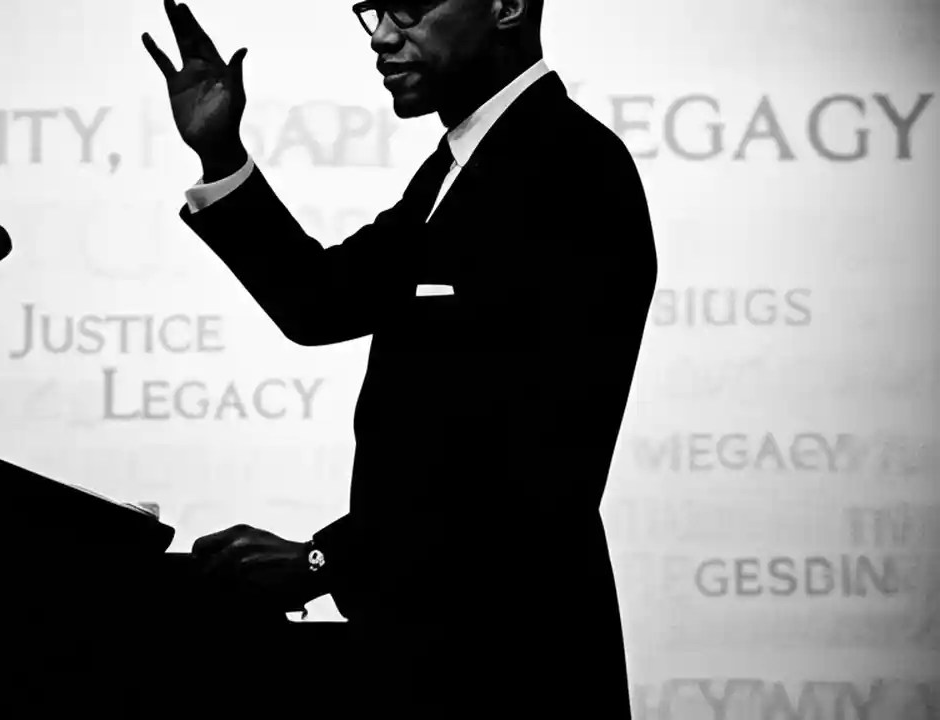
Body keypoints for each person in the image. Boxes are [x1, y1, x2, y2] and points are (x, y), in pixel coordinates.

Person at [143, 0, 657, 713]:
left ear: (506, 6)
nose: (383, 37)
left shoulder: (570, 169)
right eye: (375, 12)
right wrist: (222, 154)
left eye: (410, 10)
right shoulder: (461, 168)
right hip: (436, 646)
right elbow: (319, 301)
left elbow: (533, 470)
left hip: (512, 661)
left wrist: (324, 561)